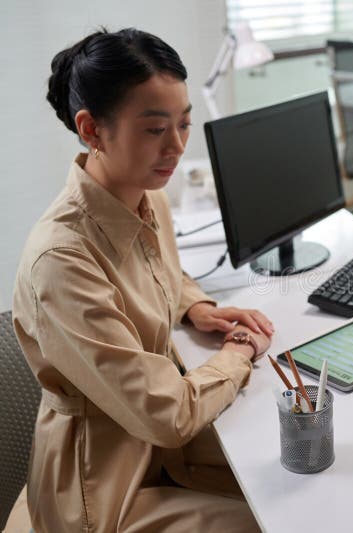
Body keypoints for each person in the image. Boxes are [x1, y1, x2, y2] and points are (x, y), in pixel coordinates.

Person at [13, 28, 271, 532]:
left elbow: (156, 270)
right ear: (91, 130)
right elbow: (167, 415)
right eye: (155, 129)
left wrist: (195, 306)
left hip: (164, 452)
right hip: (102, 488)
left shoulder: (147, 194)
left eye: (184, 124)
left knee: (295, 478)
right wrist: (238, 353)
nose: (177, 147)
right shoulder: (62, 260)